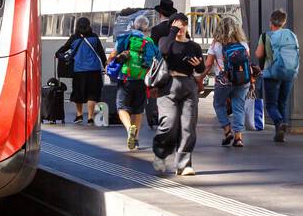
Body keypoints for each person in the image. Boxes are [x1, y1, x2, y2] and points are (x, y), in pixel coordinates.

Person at [153, 12, 203, 176]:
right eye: (176, 24)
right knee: (169, 123)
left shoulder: (194, 46)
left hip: (188, 85)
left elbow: (201, 69)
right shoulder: (166, 42)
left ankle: (184, 164)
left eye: (183, 24)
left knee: (188, 126)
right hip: (168, 85)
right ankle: (160, 154)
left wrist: (198, 66)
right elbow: (163, 50)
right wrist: (173, 32)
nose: (180, 27)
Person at [109, 14, 159, 150]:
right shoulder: (149, 42)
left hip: (125, 78)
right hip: (142, 80)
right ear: (146, 27)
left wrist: (108, 64)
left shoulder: (126, 38)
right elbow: (158, 59)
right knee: (138, 110)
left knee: (121, 108)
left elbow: (114, 54)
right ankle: (135, 140)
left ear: (133, 25)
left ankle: (128, 128)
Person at [205, 15, 252, 148]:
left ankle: (227, 130)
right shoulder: (243, 43)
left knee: (219, 104)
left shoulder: (216, 44)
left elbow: (208, 64)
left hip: (224, 80)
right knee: (238, 107)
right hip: (242, 79)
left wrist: (201, 76)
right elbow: (247, 61)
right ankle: (238, 137)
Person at [255, 8, 300, 143]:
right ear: (283, 22)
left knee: (270, 105)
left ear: (271, 22)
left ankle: (280, 122)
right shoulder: (291, 35)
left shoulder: (265, 36)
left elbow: (259, 54)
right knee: (282, 103)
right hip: (288, 72)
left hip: (271, 73)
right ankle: (279, 133)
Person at [55, 16, 107, 125]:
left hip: (79, 70)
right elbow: (101, 53)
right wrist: (106, 65)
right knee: (92, 94)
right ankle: (90, 117)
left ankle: (79, 115)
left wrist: (61, 55)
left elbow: (61, 50)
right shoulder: (94, 37)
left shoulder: (74, 38)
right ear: (89, 26)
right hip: (94, 70)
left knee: (78, 93)